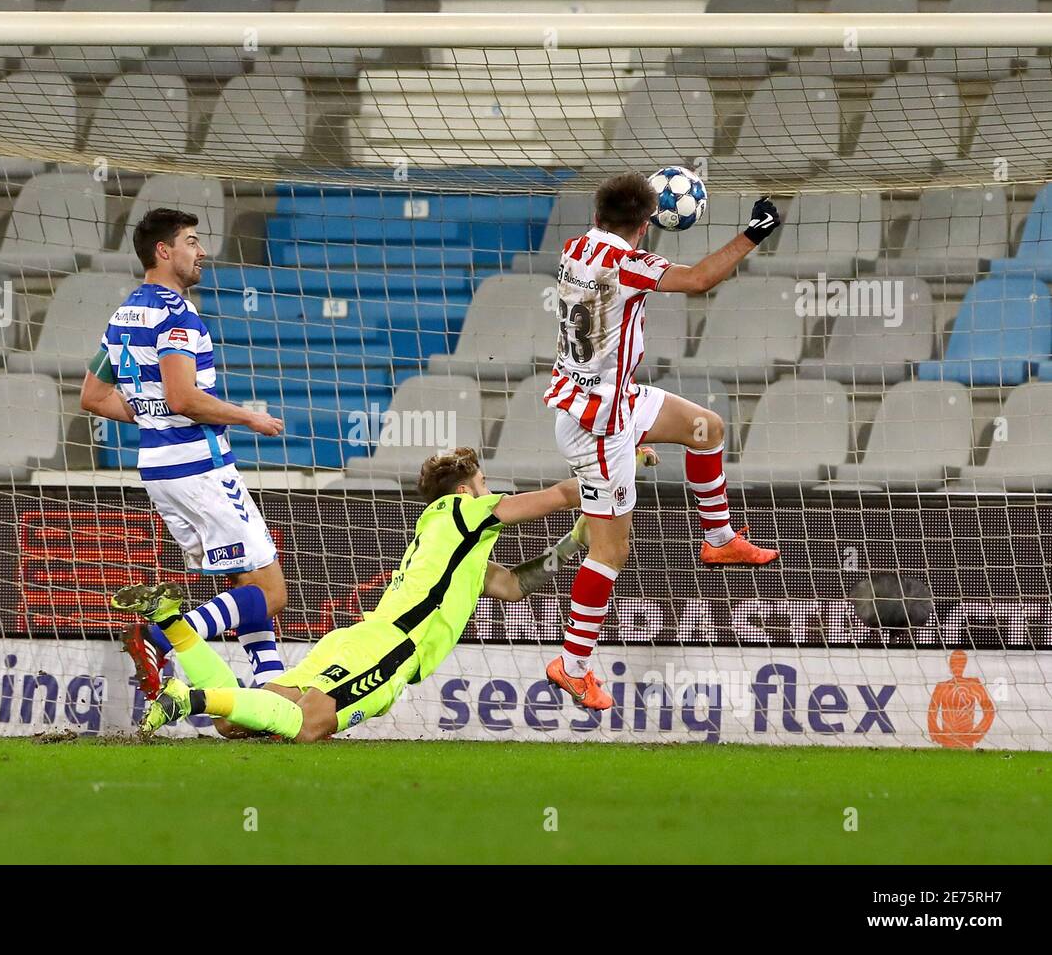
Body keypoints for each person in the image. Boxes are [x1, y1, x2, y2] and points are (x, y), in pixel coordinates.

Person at [133, 447, 589, 743]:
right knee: (309, 726)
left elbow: (511, 586)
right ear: (466, 490)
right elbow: (562, 494)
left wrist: (573, 543)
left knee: (235, 721)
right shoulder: (464, 511)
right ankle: (188, 699)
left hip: (359, 640)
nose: (491, 492)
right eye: (485, 484)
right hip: (391, 650)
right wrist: (615, 470)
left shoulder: (447, 541)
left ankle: (175, 627)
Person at [544, 173, 783, 710]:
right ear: (648, 223)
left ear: (598, 214)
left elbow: (618, 237)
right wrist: (754, 233)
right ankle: (573, 665)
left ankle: (718, 540)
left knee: (707, 429)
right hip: (599, 427)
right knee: (610, 551)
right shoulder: (625, 264)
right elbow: (698, 279)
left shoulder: (574, 247)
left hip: (615, 398)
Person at [80, 207, 288, 697]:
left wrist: (149, 413)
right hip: (199, 465)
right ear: (163, 251)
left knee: (244, 581)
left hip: (158, 465)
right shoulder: (177, 315)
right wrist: (249, 417)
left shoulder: (125, 314)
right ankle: (156, 636)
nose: (201, 252)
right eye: (191, 241)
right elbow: (184, 398)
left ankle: (271, 688)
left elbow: (93, 395)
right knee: (271, 592)